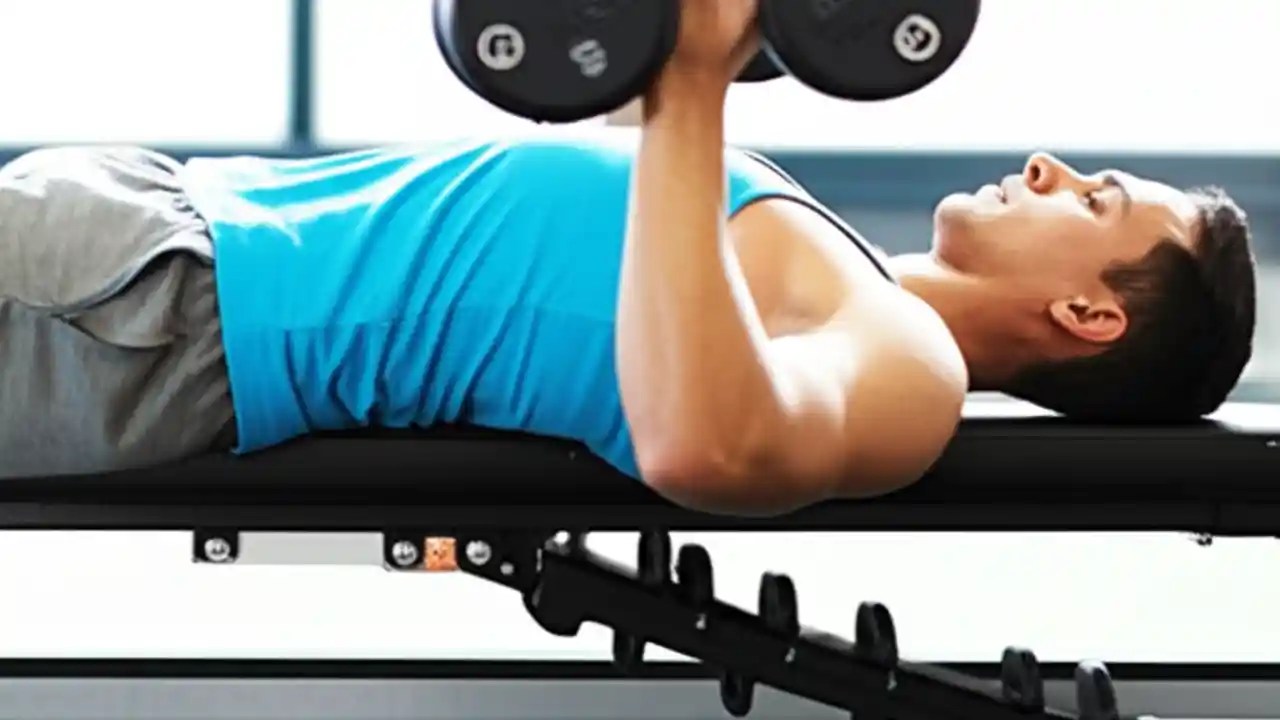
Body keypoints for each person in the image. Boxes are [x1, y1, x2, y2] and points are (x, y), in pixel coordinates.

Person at [0, 0, 1257, 517]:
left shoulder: (907, 365)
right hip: (152, 228)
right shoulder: (799, 245)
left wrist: (700, 83)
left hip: (159, 318)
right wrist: (684, 65)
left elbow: (700, 445)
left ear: (1090, 314)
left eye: (1094, 198)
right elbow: (615, 132)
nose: (1047, 166)